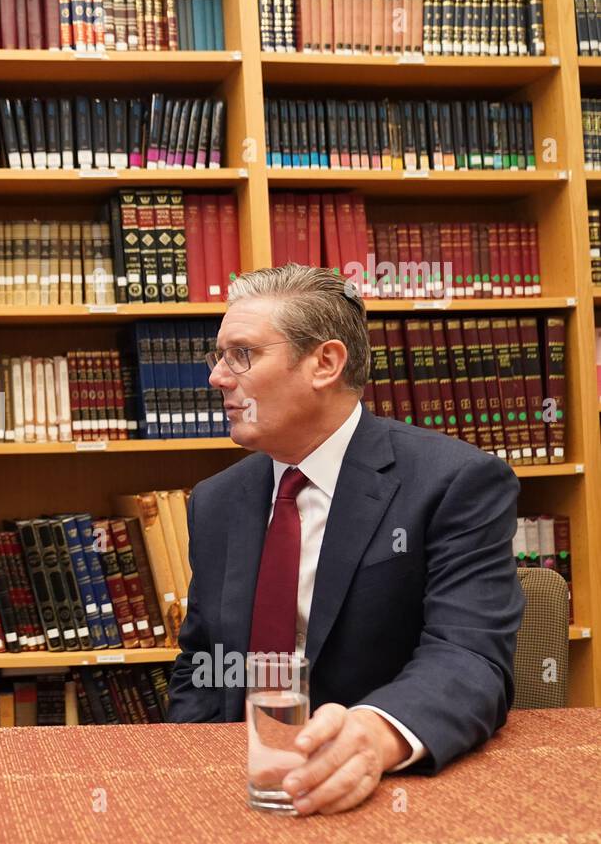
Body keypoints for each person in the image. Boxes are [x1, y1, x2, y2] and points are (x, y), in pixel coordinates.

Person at [167, 264, 523, 815]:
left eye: (242, 354)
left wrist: (376, 735)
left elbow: (468, 657)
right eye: (219, 356)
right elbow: (202, 660)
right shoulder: (215, 501)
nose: (217, 377)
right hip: (232, 789)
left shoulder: (455, 482)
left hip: (386, 791)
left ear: (325, 364)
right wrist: (186, 771)